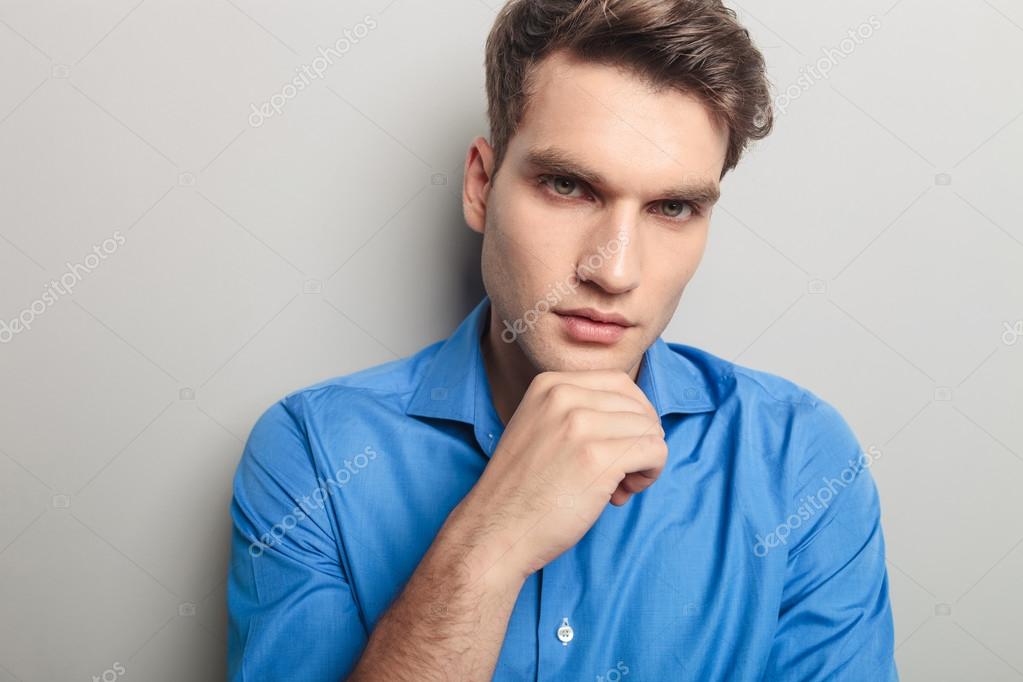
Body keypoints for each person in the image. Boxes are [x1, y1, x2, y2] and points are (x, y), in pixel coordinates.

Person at [227, 1, 898, 679]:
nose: (614, 270)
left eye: (672, 207)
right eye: (568, 186)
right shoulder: (314, 451)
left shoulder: (798, 459)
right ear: (481, 186)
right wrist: (490, 543)